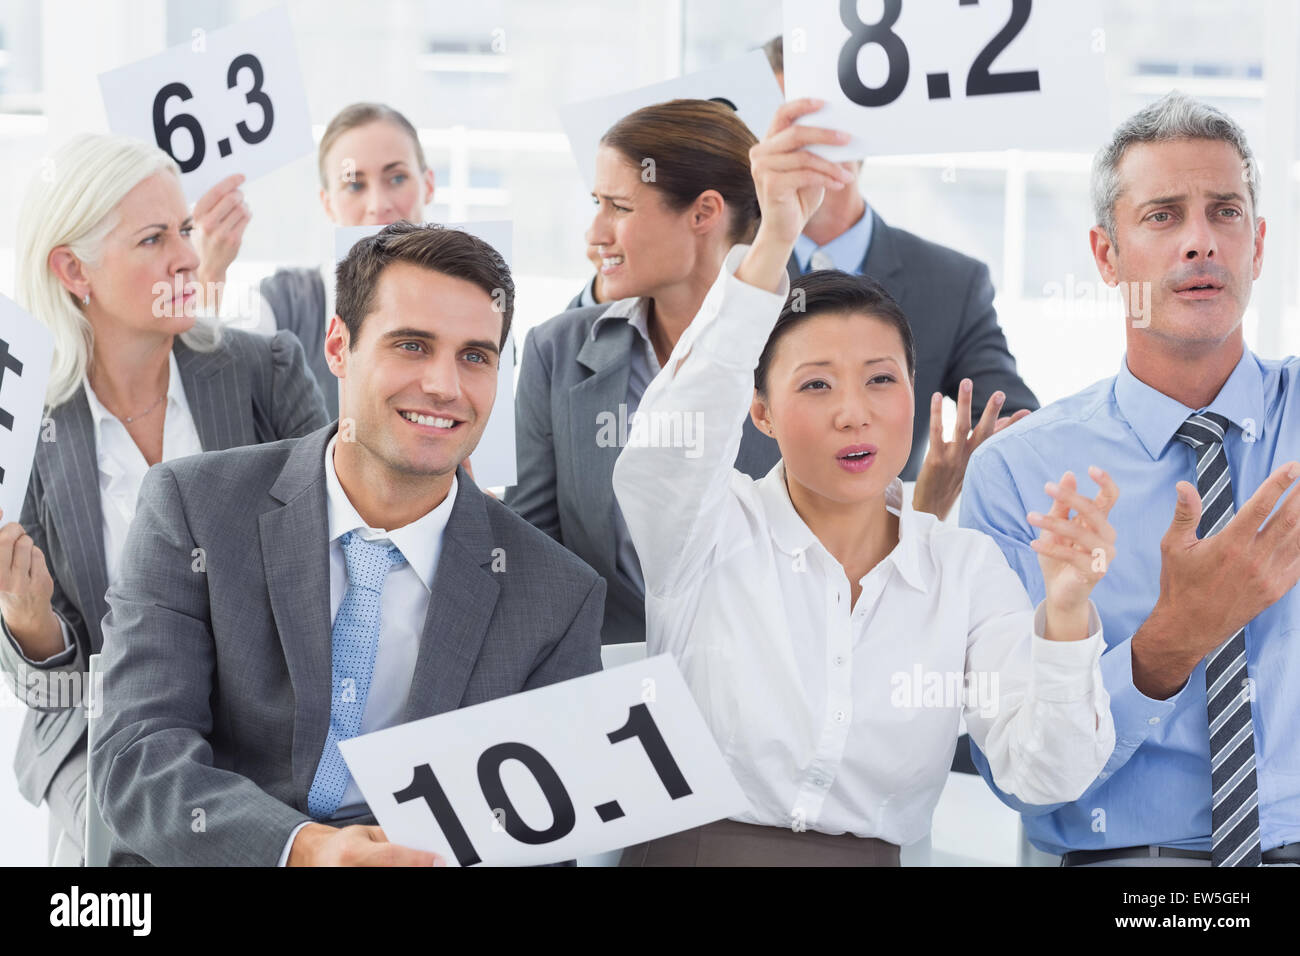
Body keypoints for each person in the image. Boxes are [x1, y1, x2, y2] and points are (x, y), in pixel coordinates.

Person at [612, 98, 1117, 866]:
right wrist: (775, 238)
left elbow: (1043, 770)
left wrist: (1068, 617)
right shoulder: (705, 532)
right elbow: (666, 446)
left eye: (881, 380)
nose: (855, 413)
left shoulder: (963, 570)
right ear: (761, 413)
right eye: (815, 386)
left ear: (915, 392)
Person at [90, 221, 605, 866]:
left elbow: (539, 838)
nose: (445, 386)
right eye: (412, 346)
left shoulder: (558, 594)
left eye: (475, 356)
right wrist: (305, 852)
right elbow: (139, 755)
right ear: (338, 345)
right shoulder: (193, 509)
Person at [508, 99, 1011, 646]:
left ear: (703, 214)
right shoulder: (556, 349)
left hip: (781, 679)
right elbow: (534, 557)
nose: (594, 234)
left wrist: (928, 509)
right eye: (596, 204)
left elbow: (860, 550)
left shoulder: (807, 349)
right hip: (604, 693)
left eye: (619, 207)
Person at [961, 91, 1300, 867]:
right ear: (1106, 255)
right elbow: (1021, 777)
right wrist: (1166, 647)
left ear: (1259, 245)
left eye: (1226, 212)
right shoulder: (1020, 476)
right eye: (1162, 216)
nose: (1200, 243)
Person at [0, 133, 329, 864]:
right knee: (141, 845)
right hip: (103, 729)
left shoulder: (264, 372)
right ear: (72, 269)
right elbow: (51, 693)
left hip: (268, 715)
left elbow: (344, 541)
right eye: (154, 238)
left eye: (184, 229)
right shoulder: (24, 427)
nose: (188, 255)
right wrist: (32, 627)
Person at [761, 35, 1037, 506]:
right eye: (780, 123)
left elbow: (1014, 421)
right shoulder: (728, 273)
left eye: (810, 118)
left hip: (886, 551)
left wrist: (951, 491)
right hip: (742, 560)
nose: (795, 140)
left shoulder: (951, 282)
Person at [230, 102, 436, 418]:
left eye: (396, 179)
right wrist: (208, 272)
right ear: (327, 204)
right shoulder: (281, 305)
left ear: (428, 186)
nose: (378, 206)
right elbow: (219, 378)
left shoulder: (474, 306)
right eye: (354, 185)